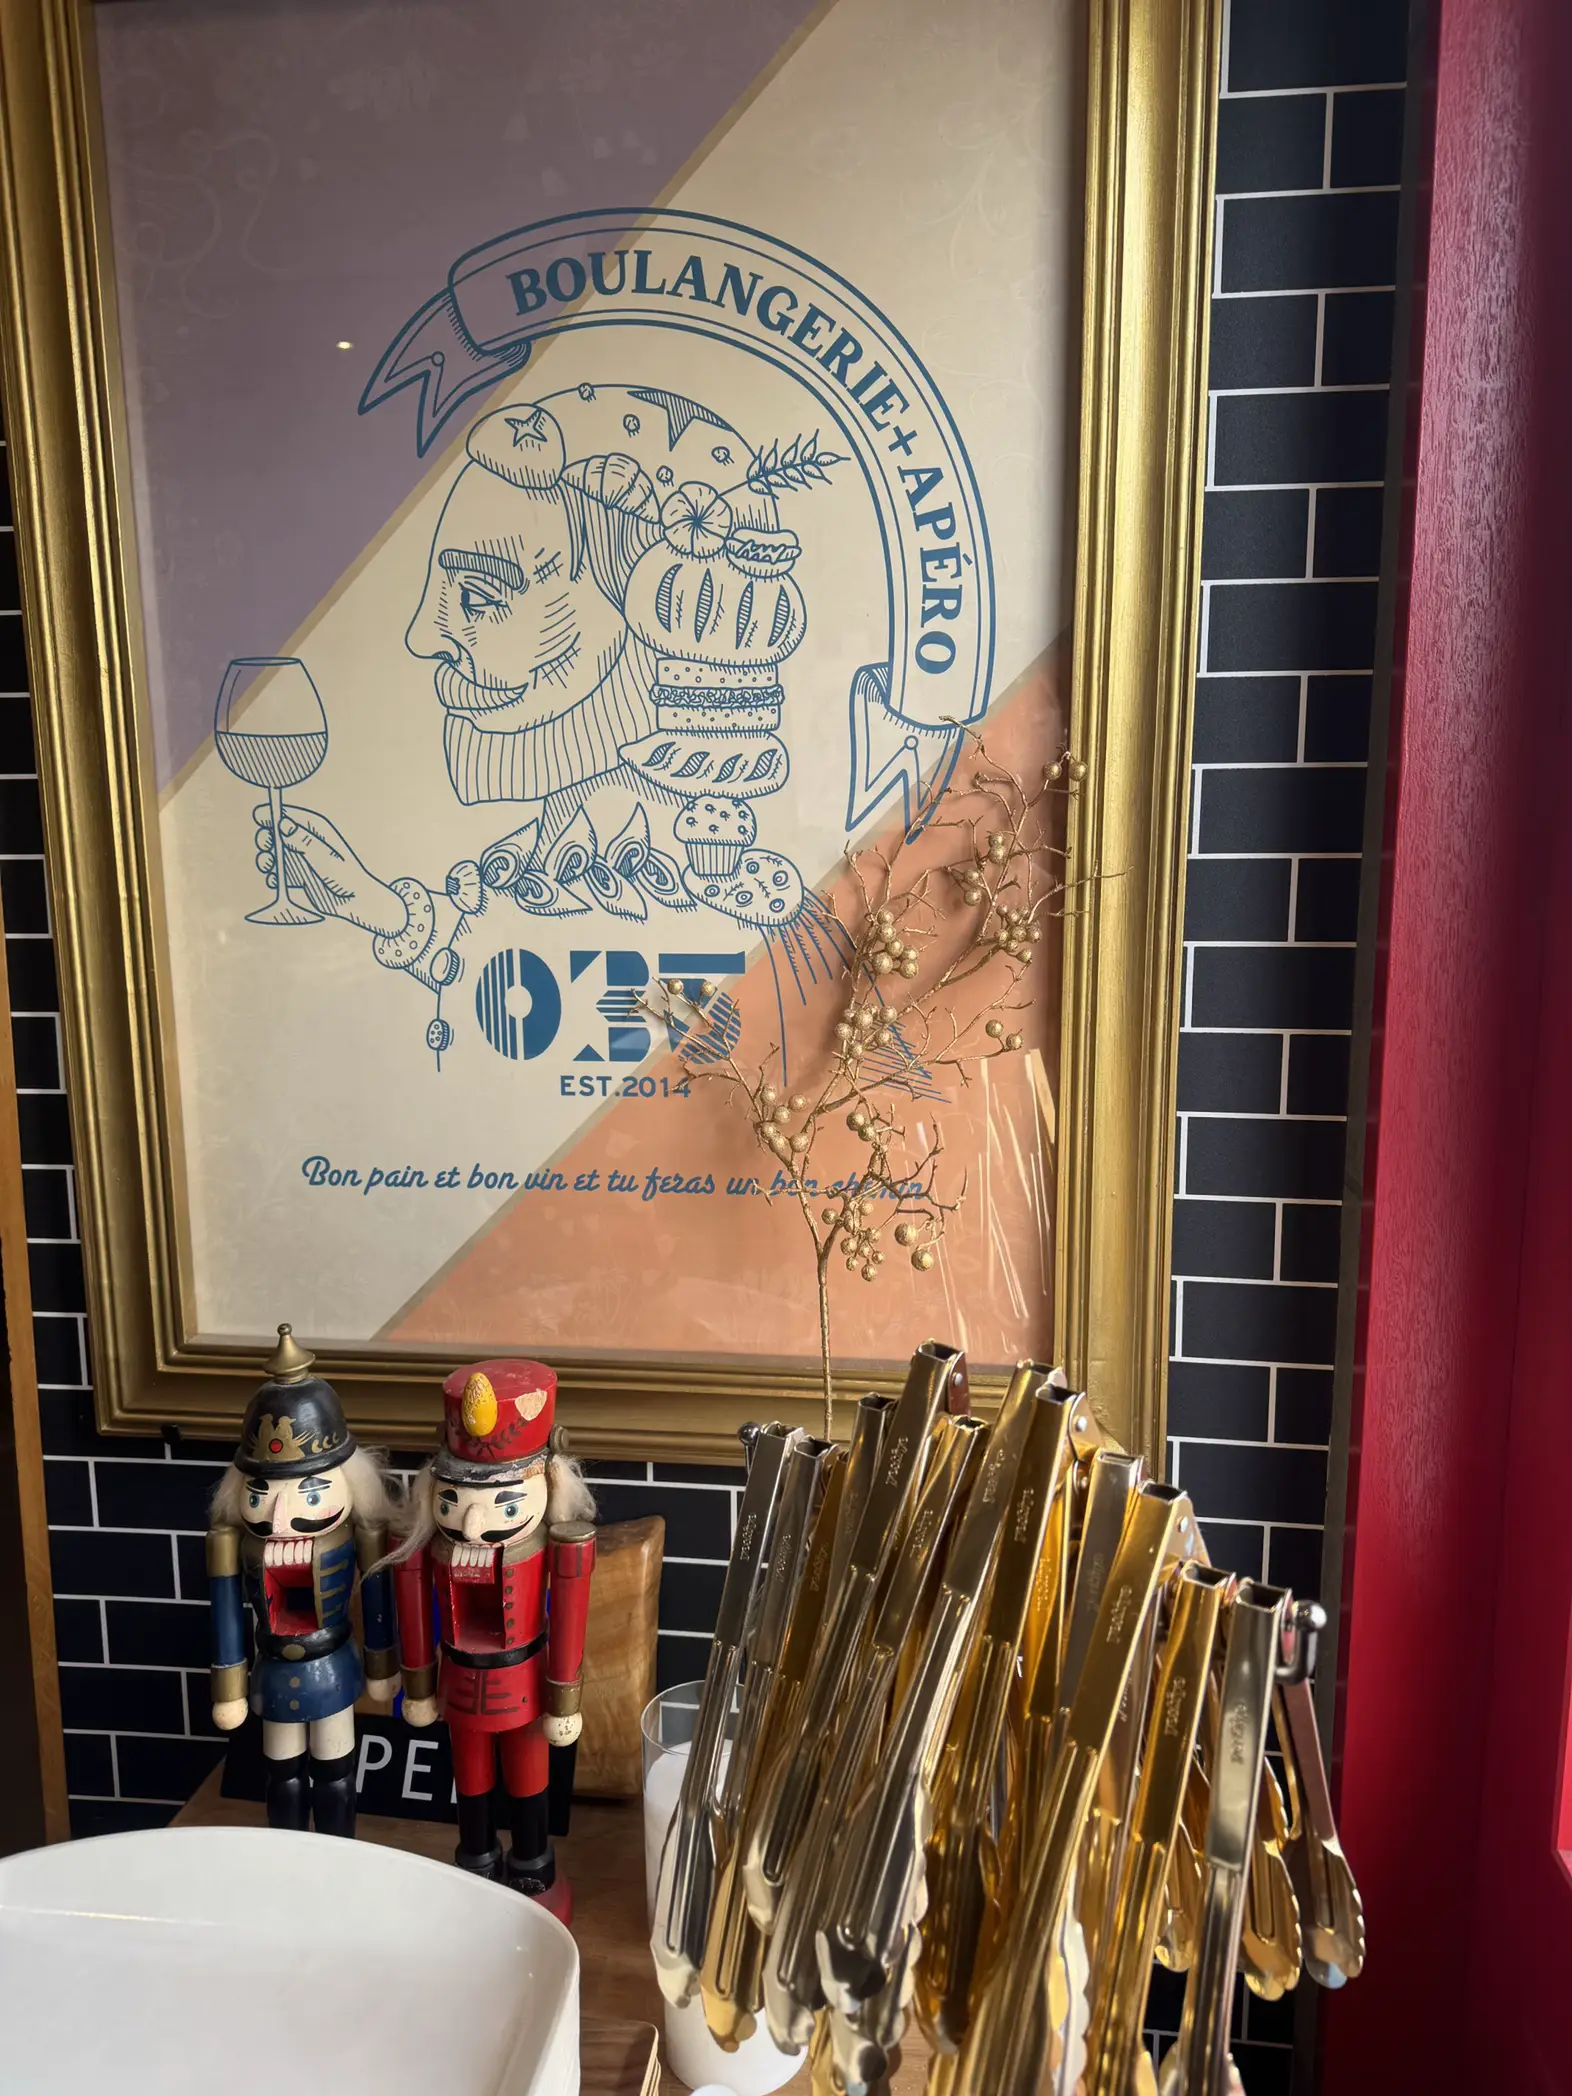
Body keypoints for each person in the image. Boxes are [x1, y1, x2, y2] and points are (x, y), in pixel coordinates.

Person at [388, 1356, 596, 1913]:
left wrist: (564, 1698)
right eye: (454, 1501)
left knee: (529, 1778)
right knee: (471, 1780)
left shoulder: (557, 1548)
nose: (474, 1526)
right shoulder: (427, 1550)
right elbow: (415, 1607)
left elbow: (570, 1617)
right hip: (459, 1685)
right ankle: (476, 1862)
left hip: (524, 1683)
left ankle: (531, 1864)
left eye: (504, 1502)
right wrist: (419, 1686)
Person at [206, 1324, 397, 1837]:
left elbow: (376, 1595)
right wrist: (229, 1688)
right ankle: (289, 1859)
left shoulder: (355, 1536)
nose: (281, 1515)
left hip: (332, 1664)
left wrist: (382, 1663)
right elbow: (226, 1616)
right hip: (272, 1669)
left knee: (335, 1771)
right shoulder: (237, 1544)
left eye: (310, 1493)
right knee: (283, 1774)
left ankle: (337, 1854)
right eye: (263, 1492)